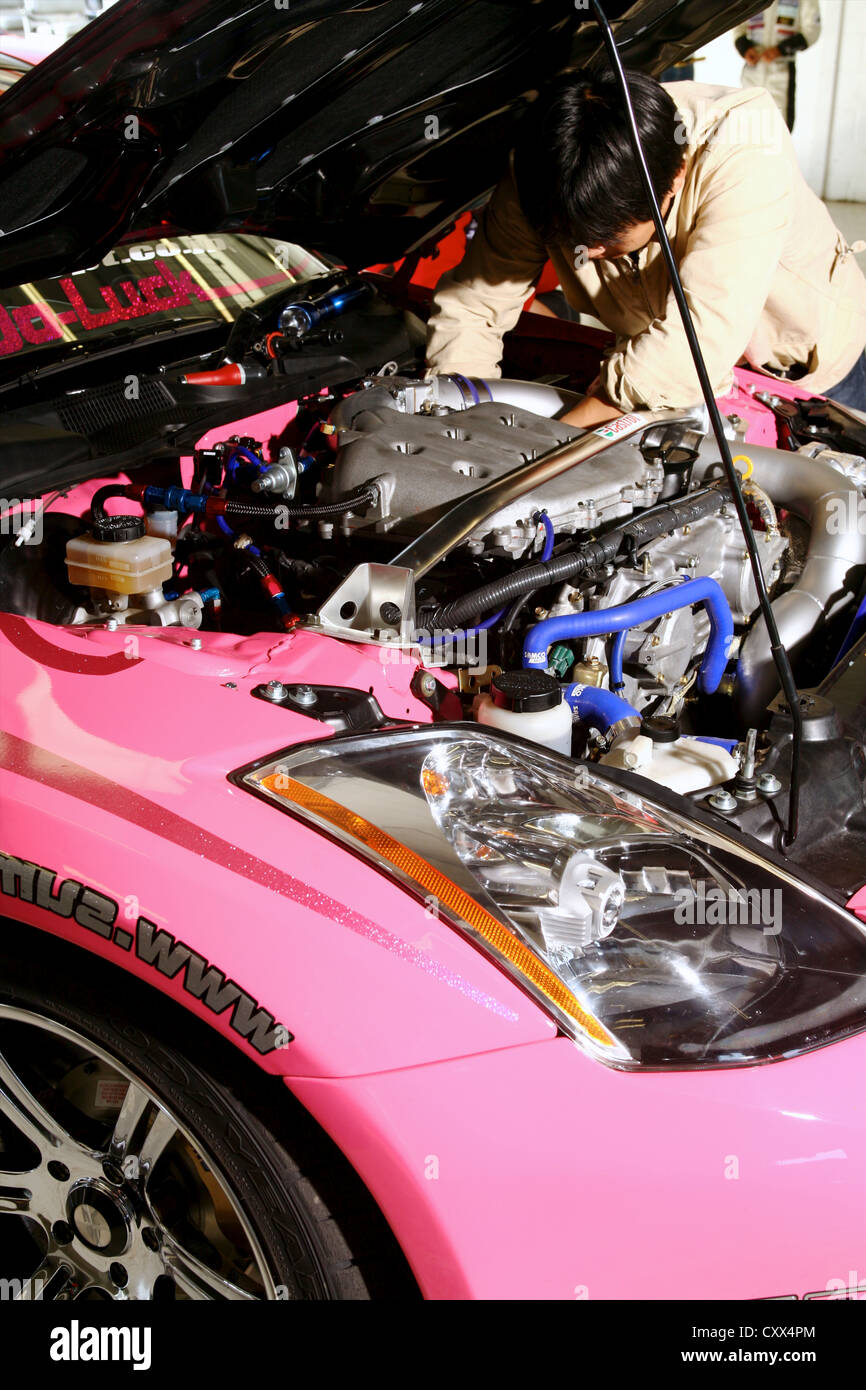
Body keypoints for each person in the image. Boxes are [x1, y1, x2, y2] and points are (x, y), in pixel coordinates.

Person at [425, 70, 866, 430]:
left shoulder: (746, 147)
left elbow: (698, 340)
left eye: (608, 239)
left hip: (811, 369)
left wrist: (552, 444)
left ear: (675, 181)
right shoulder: (542, 171)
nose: (589, 254)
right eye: (573, 237)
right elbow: (475, 305)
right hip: (664, 371)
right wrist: (458, 420)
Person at [733, 3, 821, 132]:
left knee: (779, 131)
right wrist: (744, 48)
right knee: (745, 128)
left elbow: (812, 30)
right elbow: (736, 22)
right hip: (752, 71)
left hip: (782, 72)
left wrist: (781, 50)